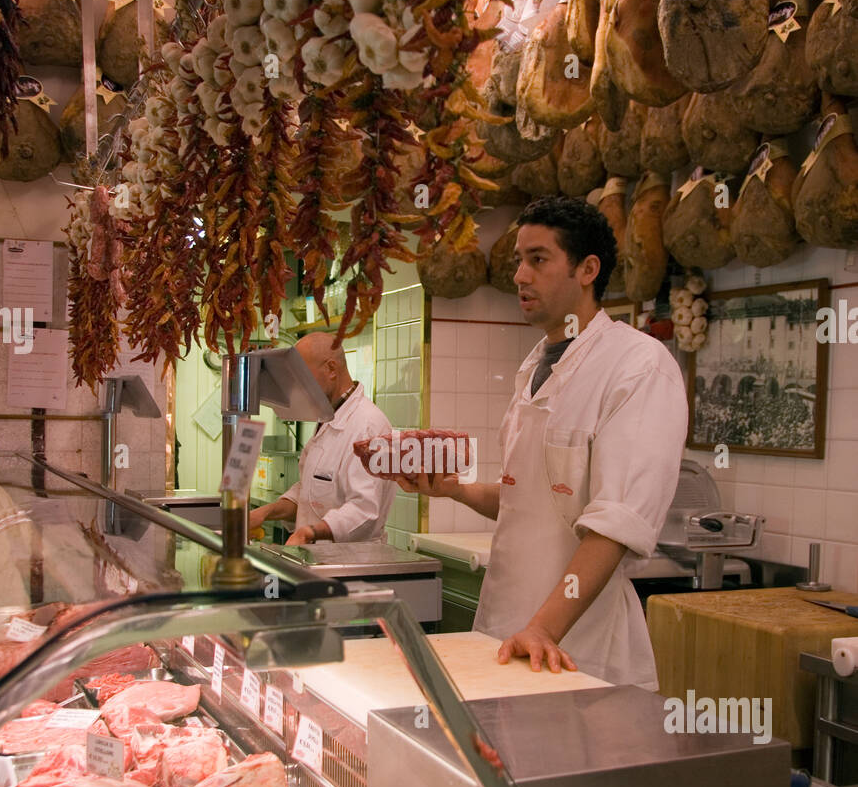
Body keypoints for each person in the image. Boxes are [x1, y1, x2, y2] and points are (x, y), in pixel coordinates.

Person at [403, 196, 688, 688]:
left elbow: (615, 523)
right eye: (518, 260)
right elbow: (526, 500)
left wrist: (542, 627)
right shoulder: (534, 365)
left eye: (538, 259)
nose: (519, 276)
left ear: (587, 269)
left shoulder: (638, 365)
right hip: (503, 636)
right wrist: (455, 490)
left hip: (575, 650)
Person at [249, 332, 397, 545]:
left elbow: (364, 512)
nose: (298, 385)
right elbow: (310, 493)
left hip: (350, 567)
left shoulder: (369, 426)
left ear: (331, 369)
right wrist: (265, 512)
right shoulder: (327, 417)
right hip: (316, 560)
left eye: (303, 376)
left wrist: (309, 533)